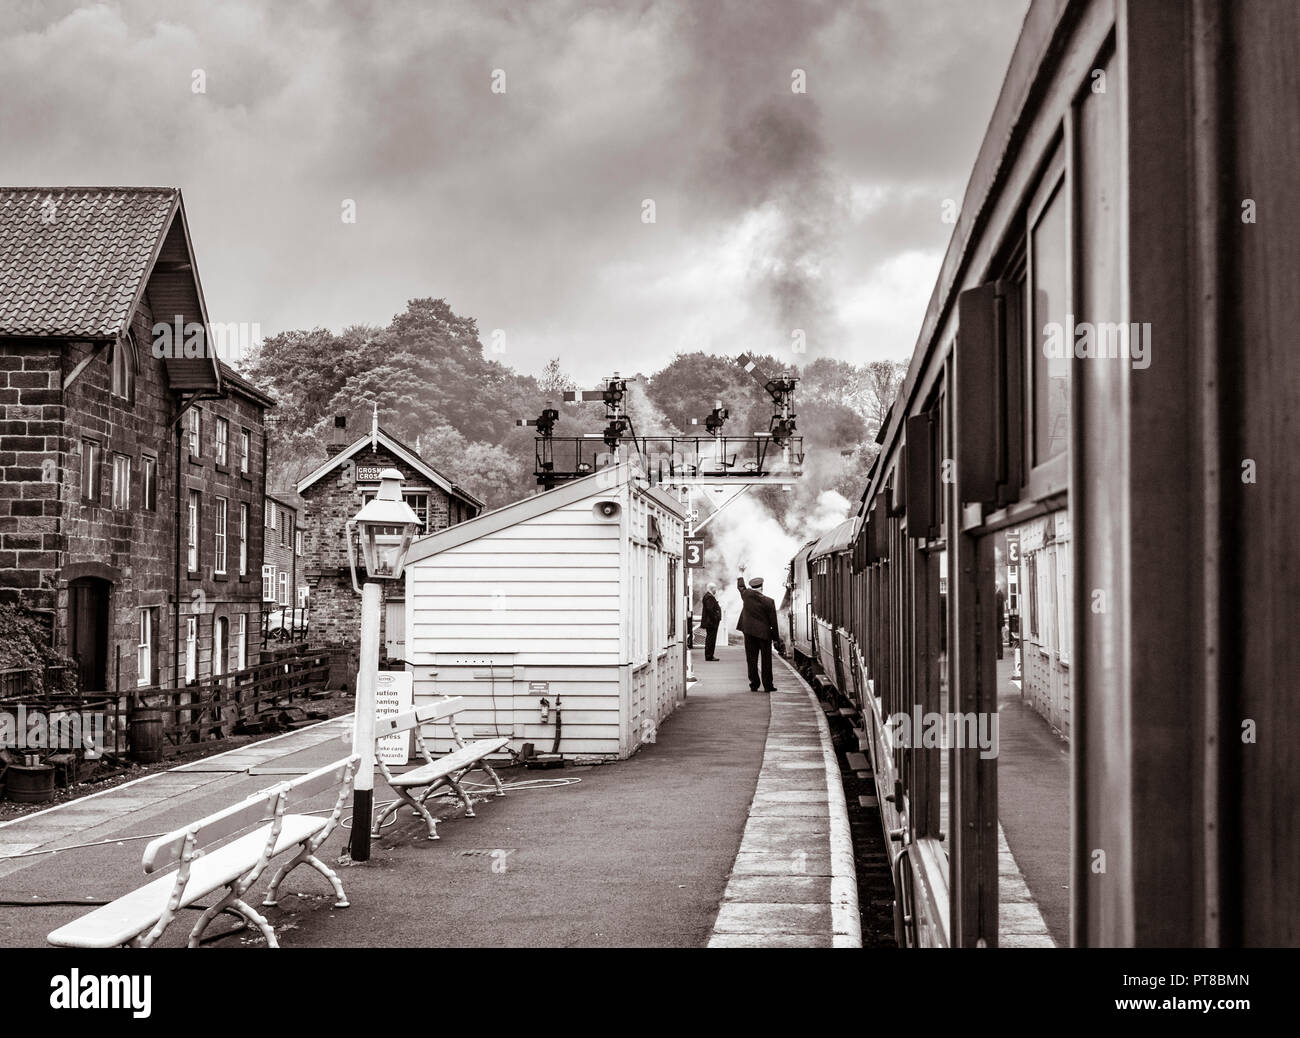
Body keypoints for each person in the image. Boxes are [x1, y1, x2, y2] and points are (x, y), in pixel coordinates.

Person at [735, 564, 783, 692]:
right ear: (762, 587)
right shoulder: (769, 601)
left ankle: (754, 684)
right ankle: (768, 686)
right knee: (766, 660)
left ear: (752, 587)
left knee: (751, 659)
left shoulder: (746, 595)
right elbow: (774, 622)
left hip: (749, 632)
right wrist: (776, 638)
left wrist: (740, 572)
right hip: (764, 634)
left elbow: (740, 586)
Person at [701, 582, 722, 660]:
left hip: (710, 622)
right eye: (715, 588)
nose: (716, 590)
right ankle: (709, 656)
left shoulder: (708, 596)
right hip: (711, 622)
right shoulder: (710, 597)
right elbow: (710, 609)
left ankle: (709, 655)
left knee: (710, 639)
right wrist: (716, 618)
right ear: (712, 588)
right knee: (711, 639)